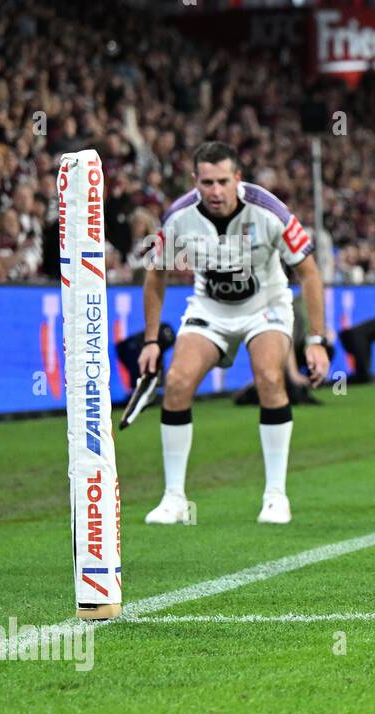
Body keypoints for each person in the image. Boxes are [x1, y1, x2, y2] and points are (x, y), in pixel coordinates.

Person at [140, 141, 330, 525]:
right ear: (195, 181)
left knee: (269, 377)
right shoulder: (178, 217)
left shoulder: (270, 210)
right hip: (209, 308)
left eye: (222, 181)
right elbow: (155, 273)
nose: (214, 191)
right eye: (206, 182)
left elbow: (308, 272)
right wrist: (149, 342)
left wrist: (316, 340)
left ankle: (276, 496)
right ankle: (174, 498)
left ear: (237, 179)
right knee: (176, 382)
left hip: (266, 306)